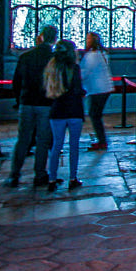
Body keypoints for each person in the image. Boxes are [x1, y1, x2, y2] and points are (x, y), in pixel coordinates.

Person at [7, 25, 58, 188]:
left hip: (27, 102)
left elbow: (17, 82)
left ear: (41, 36)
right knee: (42, 141)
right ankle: (40, 175)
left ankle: (14, 175)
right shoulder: (54, 58)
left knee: (23, 140)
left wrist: (19, 99)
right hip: (46, 103)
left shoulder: (26, 57)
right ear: (54, 39)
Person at [45, 39, 85, 191]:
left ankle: (52, 179)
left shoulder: (52, 68)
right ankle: (73, 178)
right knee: (74, 146)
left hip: (57, 110)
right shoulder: (74, 68)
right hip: (74, 110)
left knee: (56, 145)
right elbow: (77, 89)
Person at [80, 32, 114, 151]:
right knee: (95, 115)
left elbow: (84, 72)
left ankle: (102, 141)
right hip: (103, 88)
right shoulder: (102, 54)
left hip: (98, 89)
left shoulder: (92, 56)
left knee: (95, 115)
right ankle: (102, 140)